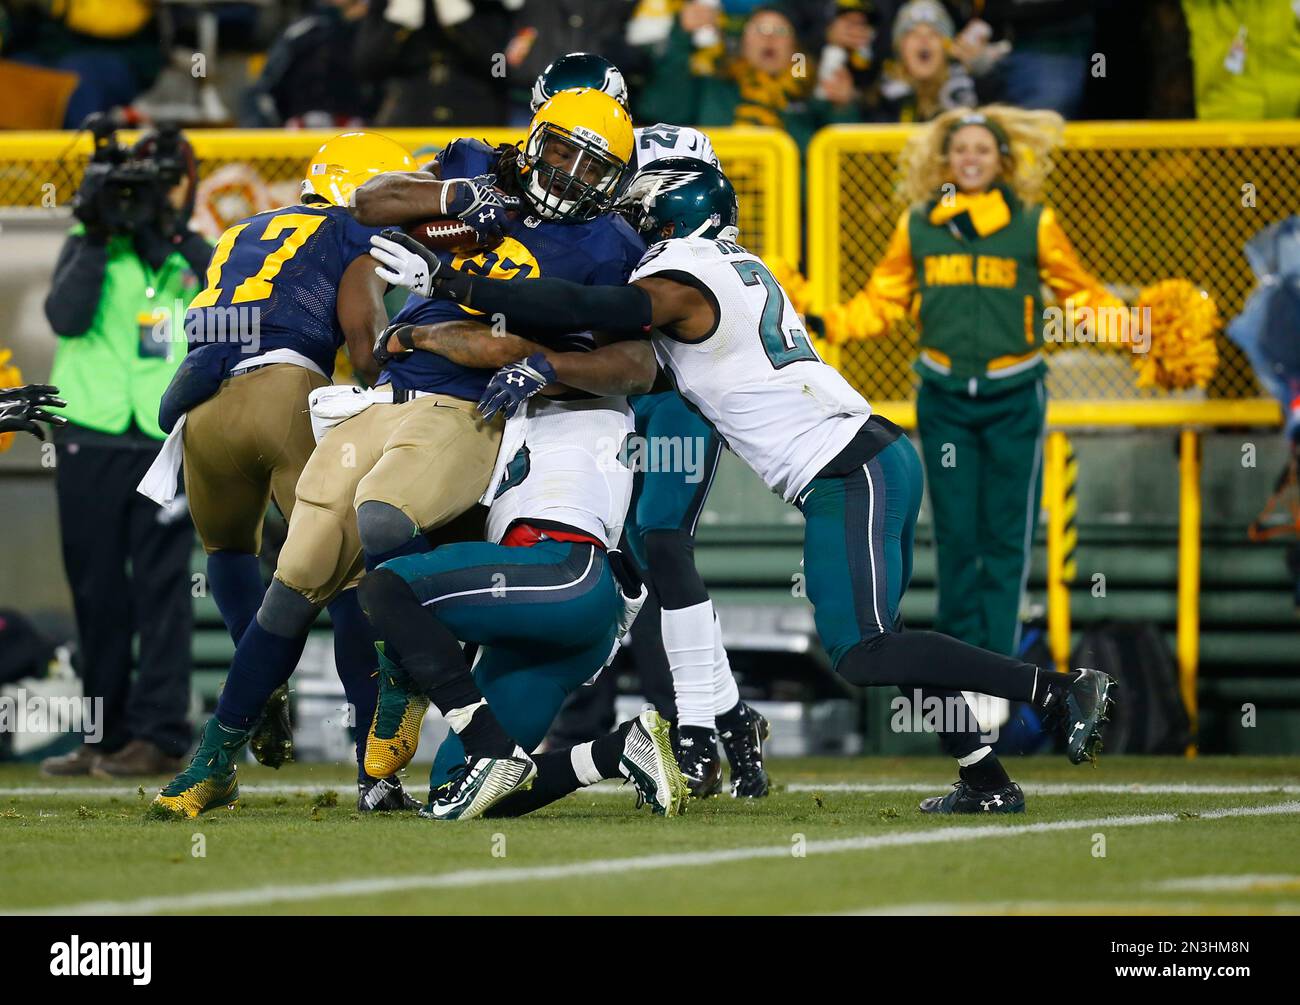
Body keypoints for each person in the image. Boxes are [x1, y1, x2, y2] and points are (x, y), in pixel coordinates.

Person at [370, 156, 1117, 815]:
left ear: (670, 212)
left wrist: (452, 278)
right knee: (879, 641)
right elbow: (624, 360)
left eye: (639, 208)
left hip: (848, 469)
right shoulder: (723, 282)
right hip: (860, 460)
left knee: (863, 650)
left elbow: (595, 309)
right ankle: (985, 775)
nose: (627, 223)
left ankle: (1054, 689)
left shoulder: (688, 276)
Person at [153, 87, 645, 818]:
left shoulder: (608, 246)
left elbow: (613, 355)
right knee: (295, 581)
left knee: (383, 517)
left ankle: (397, 684)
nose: (571, 174)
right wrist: (454, 198)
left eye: (590, 165)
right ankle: (215, 757)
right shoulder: (482, 180)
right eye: (562, 152)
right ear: (533, 141)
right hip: (383, 402)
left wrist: (428, 328)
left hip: (464, 409)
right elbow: (368, 211)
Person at [143, 131, 412, 814]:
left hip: (203, 415)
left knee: (229, 552)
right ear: (366, 188)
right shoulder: (356, 228)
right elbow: (363, 337)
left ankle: (250, 697)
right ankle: (373, 778)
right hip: (285, 395)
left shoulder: (242, 230)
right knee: (349, 582)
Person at [527, 51, 769, 799]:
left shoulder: (676, 149)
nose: (573, 145)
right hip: (607, 382)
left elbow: (702, 244)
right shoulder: (542, 174)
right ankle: (724, 725)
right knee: (621, 557)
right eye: (558, 125)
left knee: (661, 542)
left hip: (676, 372)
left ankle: (691, 727)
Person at [354, 302, 685, 820]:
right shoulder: (526, 399)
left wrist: (409, 334)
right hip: (557, 610)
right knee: (458, 788)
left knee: (387, 588)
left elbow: (531, 354)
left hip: (560, 570)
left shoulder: (583, 385)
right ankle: (614, 752)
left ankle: (489, 744)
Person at [825, 106, 1127, 664]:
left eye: (982, 150)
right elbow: (883, 300)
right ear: (944, 159)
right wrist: (828, 321)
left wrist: (1137, 327)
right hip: (943, 399)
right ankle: (960, 672)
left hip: (1015, 396)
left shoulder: (1034, 221)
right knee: (956, 538)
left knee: (1007, 539)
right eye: (960, 149)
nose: (970, 158)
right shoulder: (917, 222)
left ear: (1003, 161)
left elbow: (1081, 296)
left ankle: (1003, 675)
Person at [40, 125, 209, 779]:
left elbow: (227, 307)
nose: (149, 194)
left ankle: (161, 735)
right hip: (88, 436)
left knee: (162, 590)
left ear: (186, 186)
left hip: (164, 440)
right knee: (96, 591)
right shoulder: (89, 247)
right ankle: (100, 736)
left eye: (166, 181)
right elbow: (66, 318)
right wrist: (95, 232)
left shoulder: (190, 253)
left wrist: (169, 233)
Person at [638, 5, 859, 155]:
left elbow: (845, 162)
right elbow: (660, 109)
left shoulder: (810, 96)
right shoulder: (713, 87)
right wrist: (680, 39)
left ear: (794, 49)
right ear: (743, 43)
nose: (769, 36)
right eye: (760, 29)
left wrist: (844, 107)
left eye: (780, 30)